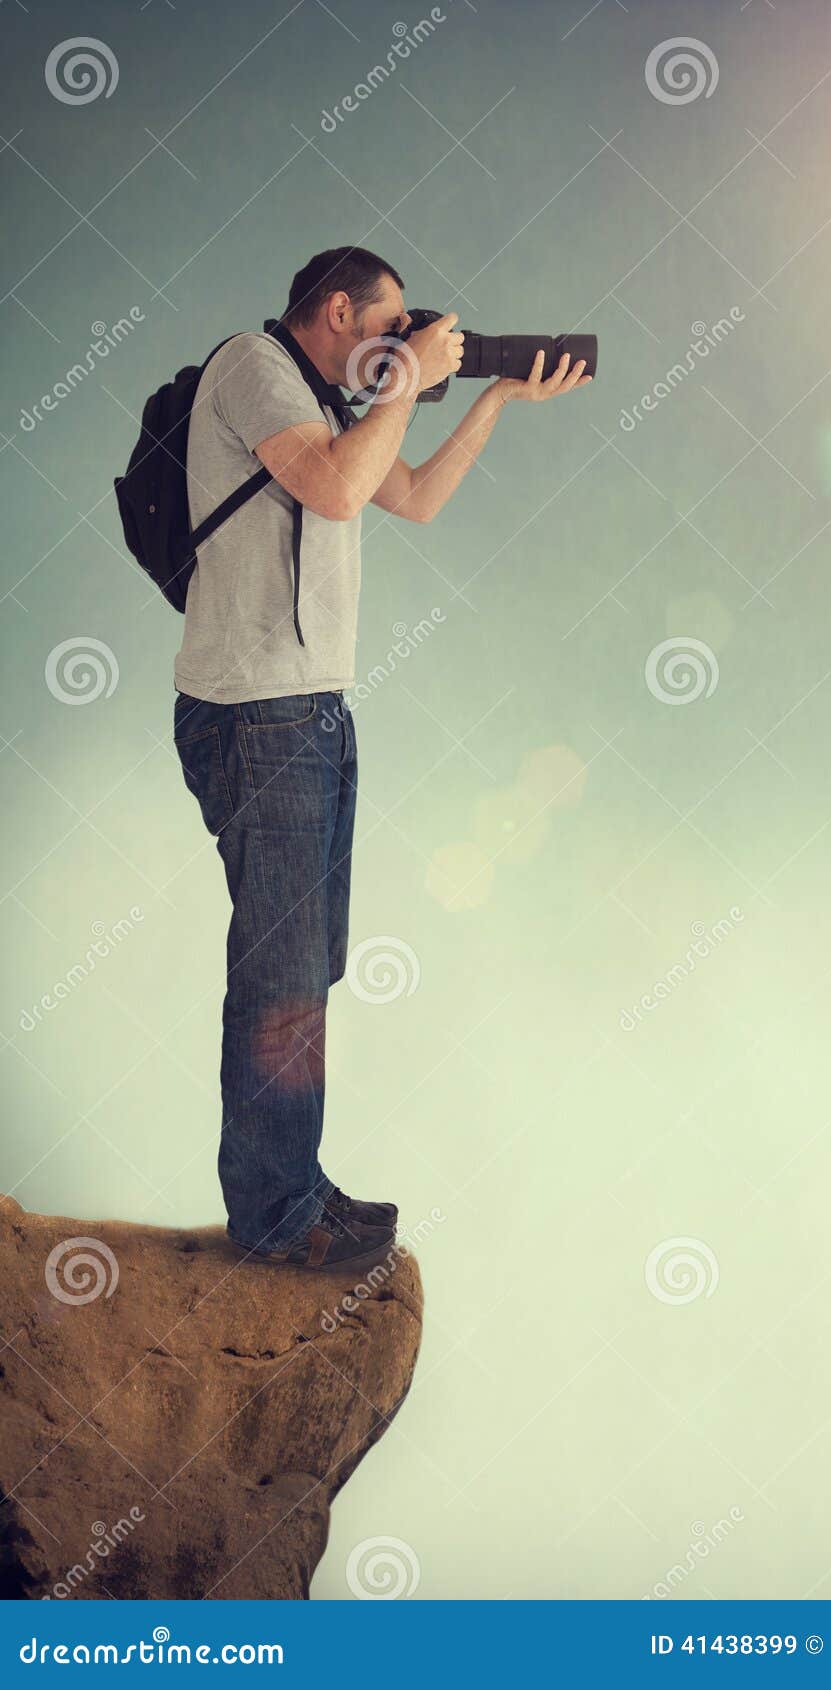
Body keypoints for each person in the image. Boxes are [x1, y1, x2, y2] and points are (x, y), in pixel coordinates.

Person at [172, 246, 591, 1270]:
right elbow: (335, 490)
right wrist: (406, 381)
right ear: (334, 309)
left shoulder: (320, 397)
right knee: (279, 974)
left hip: (307, 710)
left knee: (306, 965)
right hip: (256, 715)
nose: (397, 344)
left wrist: (489, 398)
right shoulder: (253, 365)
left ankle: (296, 1182)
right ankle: (274, 1215)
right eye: (387, 326)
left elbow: (410, 495)